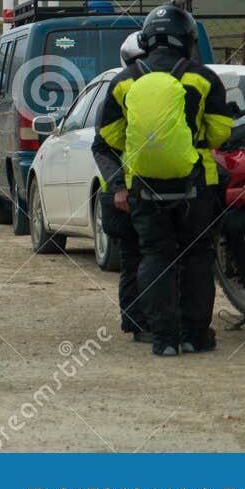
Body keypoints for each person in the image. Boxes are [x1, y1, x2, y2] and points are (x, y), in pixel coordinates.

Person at [91, 5, 233, 357]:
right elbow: (219, 133)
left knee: (154, 255)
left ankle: (164, 338)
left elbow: (109, 136)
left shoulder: (124, 81)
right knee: (197, 256)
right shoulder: (203, 77)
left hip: (143, 184)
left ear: (147, 40)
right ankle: (195, 335)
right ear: (187, 39)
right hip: (196, 184)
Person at [91, 33, 153, 344]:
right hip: (133, 188)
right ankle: (142, 320)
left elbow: (102, 145)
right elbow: (103, 144)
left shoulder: (120, 86)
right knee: (146, 256)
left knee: (134, 258)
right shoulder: (178, 81)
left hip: (126, 188)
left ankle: (138, 322)